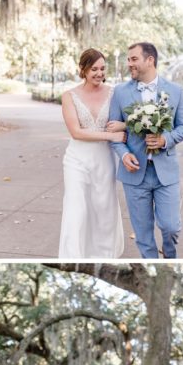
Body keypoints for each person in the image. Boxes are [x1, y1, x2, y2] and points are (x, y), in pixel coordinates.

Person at [106, 41, 183, 260]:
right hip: (135, 173)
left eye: (134, 59)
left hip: (166, 172)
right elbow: (114, 132)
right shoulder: (120, 93)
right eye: (128, 60)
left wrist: (165, 139)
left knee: (171, 227)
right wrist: (124, 154)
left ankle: (170, 257)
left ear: (150, 60)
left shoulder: (175, 91)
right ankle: (152, 264)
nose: (129, 64)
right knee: (143, 235)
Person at [58, 48, 126, 257]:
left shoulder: (115, 93)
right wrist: (110, 136)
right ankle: (73, 257)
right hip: (77, 159)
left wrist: (122, 126)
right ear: (83, 70)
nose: (99, 73)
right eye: (94, 69)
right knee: (76, 209)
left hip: (104, 159)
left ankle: (104, 255)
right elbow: (76, 132)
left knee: (103, 208)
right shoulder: (69, 96)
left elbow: (128, 123)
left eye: (102, 68)